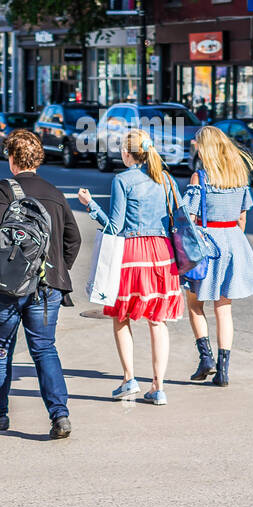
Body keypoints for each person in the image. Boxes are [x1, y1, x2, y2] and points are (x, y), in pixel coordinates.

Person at [0, 129, 81, 438]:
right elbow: (73, 239)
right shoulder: (54, 192)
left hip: (7, 287)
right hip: (47, 286)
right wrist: (56, 270)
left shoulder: (5, 188)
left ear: (12, 159)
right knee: (45, 349)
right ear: (37, 158)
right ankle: (59, 415)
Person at [77, 127, 182, 406]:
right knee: (157, 320)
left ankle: (129, 379)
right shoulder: (167, 180)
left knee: (121, 315)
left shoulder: (122, 180)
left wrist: (90, 206)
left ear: (127, 153)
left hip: (132, 253)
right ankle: (158, 387)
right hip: (162, 254)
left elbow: (115, 226)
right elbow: (179, 220)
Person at [181, 126, 253, 387]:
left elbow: (189, 217)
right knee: (224, 308)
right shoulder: (238, 175)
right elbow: (243, 217)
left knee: (195, 305)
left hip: (208, 245)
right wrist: (232, 241)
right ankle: (224, 370)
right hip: (233, 242)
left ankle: (205, 357)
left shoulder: (200, 178)